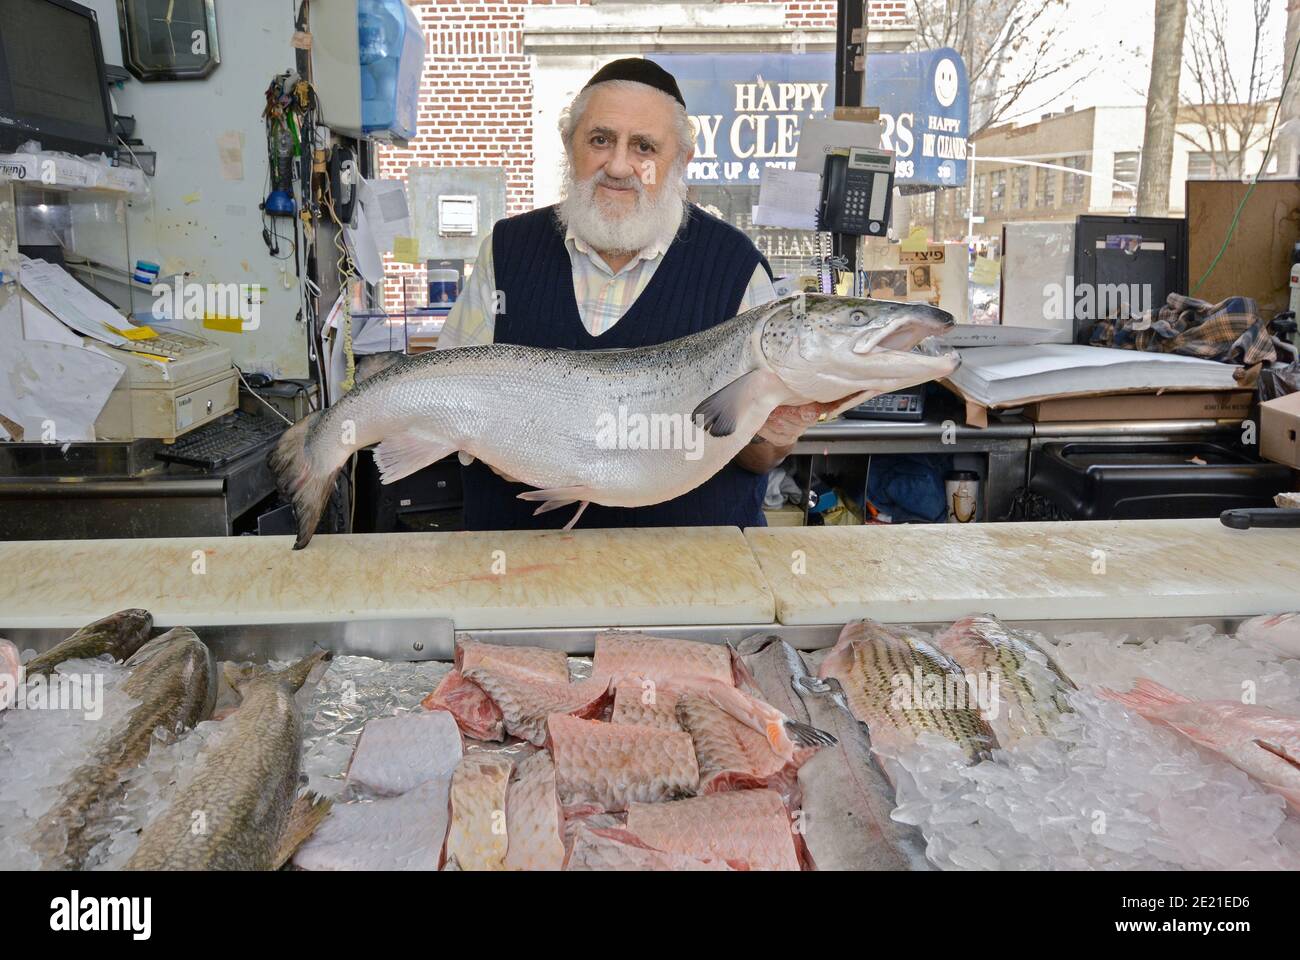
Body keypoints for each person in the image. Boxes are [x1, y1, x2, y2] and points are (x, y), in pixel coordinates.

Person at [439, 57, 840, 531]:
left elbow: (756, 457)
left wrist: (776, 435)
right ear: (571, 147)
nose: (619, 165)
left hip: (692, 581)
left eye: (644, 146)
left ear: (681, 162)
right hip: (522, 575)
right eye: (600, 139)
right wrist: (488, 442)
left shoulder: (734, 268)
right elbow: (448, 392)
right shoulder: (506, 251)